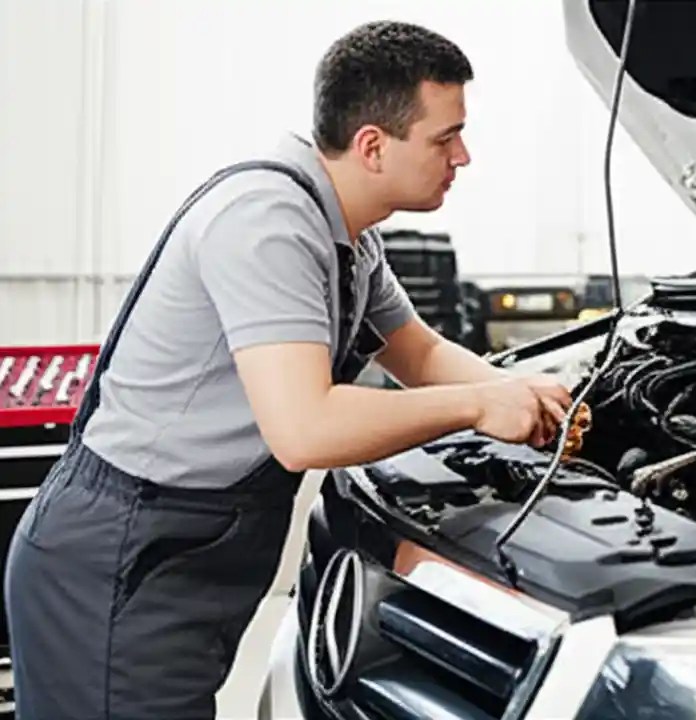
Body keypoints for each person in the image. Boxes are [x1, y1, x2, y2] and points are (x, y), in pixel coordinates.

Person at [4, 20, 573, 719]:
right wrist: (479, 408)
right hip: (124, 559)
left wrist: (526, 393)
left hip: (186, 552)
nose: (463, 156)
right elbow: (305, 429)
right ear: (373, 145)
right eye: (444, 138)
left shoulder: (348, 238)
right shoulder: (267, 223)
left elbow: (420, 354)